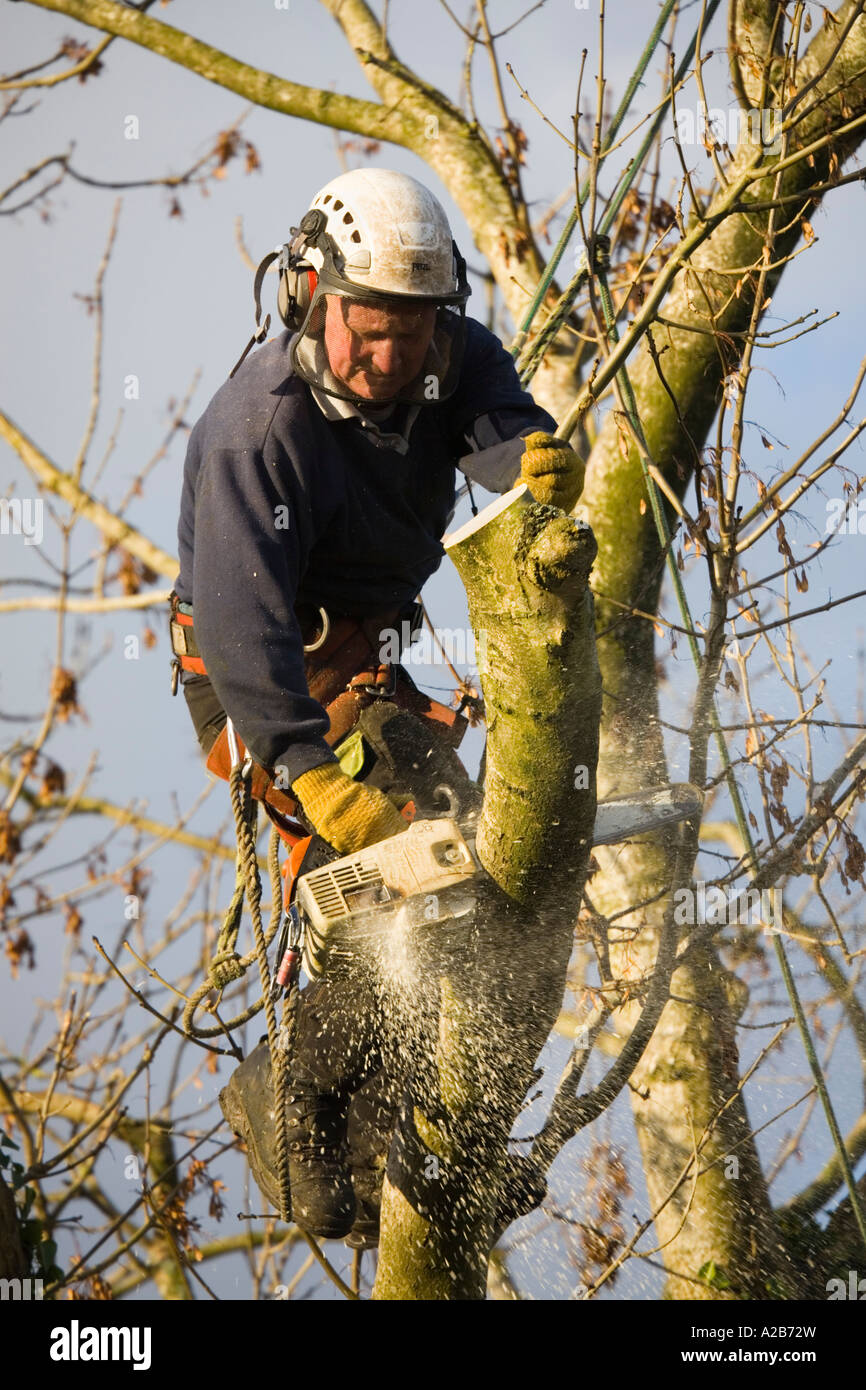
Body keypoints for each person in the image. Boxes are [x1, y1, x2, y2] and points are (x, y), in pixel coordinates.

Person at [172, 168, 586, 1241]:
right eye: (367, 326)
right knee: (433, 854)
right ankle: (296, 1095)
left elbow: (499, 420)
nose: (389, 357)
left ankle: (392, 1151)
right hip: (263, 673)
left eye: (410, 330)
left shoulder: (448, 357)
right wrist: (304, 768)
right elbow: (240, 627)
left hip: (365, 673)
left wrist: (531, 462)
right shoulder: (254, 431)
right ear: (308, 293)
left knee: (486, 887)